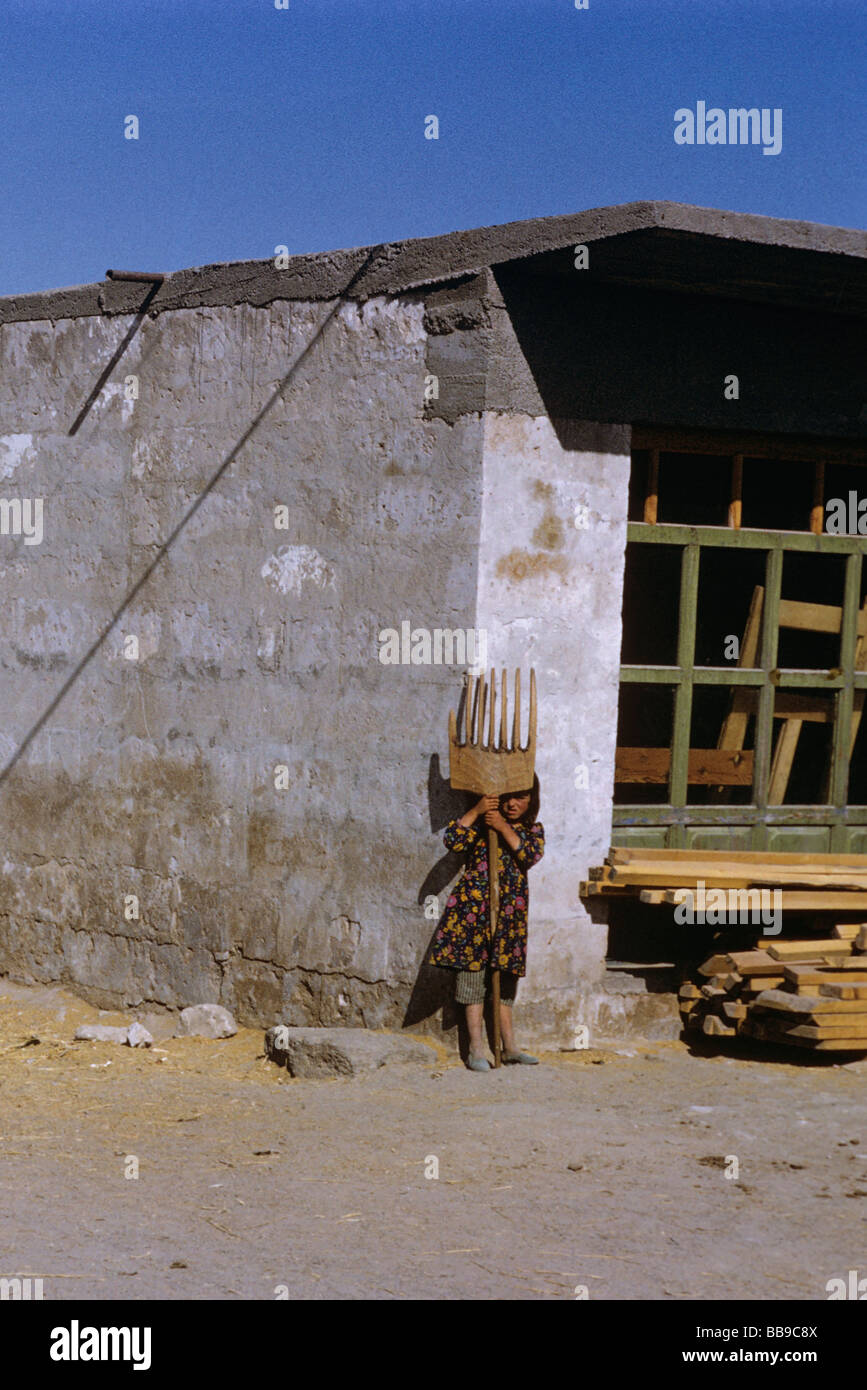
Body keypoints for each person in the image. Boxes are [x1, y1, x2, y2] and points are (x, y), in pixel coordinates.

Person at [429, 776, 544, 1071]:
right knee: (472, 980)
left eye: (521, 797)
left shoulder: (532, 830)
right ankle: (476, 1049)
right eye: (507, 797)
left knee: (505, 983)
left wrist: (503, 827)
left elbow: (529, 855)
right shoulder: (481, 826)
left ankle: (510, 1047)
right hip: (473, 915)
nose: (512, 803)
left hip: (509, 917)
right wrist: (478, 811)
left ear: (532, 799)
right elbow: (453, 841)